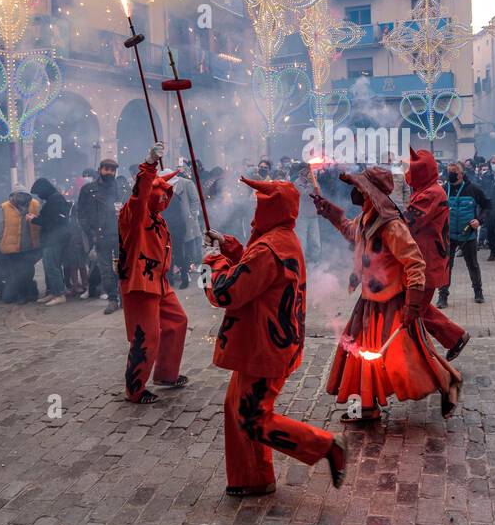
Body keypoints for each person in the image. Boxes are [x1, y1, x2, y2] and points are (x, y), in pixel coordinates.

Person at [202, 177, 346, 497]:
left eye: (259, 206)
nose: (254, 213)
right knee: (236, 407)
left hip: (265, 347)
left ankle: (326, 446)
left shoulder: (270, 248)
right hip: (262, 341)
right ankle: (250, 478)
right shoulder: (280, 238)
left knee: (253, 418)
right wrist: (227, 245)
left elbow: (227, 292)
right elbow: (252, 268)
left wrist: (212, 260)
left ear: (270, 210)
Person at [311, 166, 463, 423]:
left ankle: (450, 382)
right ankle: (367, 407)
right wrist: (332, 215)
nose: (355, 192)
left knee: (409, 357)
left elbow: (415, 263)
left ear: (370, 192)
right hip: (369, 302)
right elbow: (352, 232)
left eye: (360, 188)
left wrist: (413, 304)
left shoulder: (392, 225)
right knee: (360, 357)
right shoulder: (366, 218)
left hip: (393, 303)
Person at [118, 143, 189, 404]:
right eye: (162, 196)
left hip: (159, 282)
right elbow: (139, 195)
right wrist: (148, 165)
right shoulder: (134, 215)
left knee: (177, 321)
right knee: (146, 336)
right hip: (140, 283)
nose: (165, 200)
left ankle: (166, 374)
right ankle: (135, 390)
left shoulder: (158, 218)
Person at [403, 149, 469, 360]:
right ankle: (455, 337)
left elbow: (408, 222)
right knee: (419, 307)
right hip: (422, 259)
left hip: (427, 262)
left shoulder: (431, 193)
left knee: (414, 311)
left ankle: (419, 357)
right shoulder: (425, 189)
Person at [76, 158, 123, 313]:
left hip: (121, 235)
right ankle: (112, 299)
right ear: (100, 169)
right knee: (106, 270)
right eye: (106, 169)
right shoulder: (89, 189)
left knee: (123, 268)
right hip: (101, 236)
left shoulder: (121, 188)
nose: (109, 172)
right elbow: (81, 214)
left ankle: (124, 297)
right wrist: (91, 233)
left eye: (112, 169)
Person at [441, 160, 490, 306]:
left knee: (473, 265)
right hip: (448, 235)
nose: (450, 175)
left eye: (454, 173)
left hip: (467, 234)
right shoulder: (443, 189)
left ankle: (478, 291)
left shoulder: (474, 189)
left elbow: (487, 205)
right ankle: (442, 295)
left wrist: (479, 221)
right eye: (449, 172)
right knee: (445, 267)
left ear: (461, 174)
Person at [0, 185, 41, 303]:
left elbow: (40, 222)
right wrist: (1, 241)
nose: (22, 197)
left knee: (28, 271)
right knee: (16, 272)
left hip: (30, 246)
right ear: (13, 195)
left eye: (24, 194)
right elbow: (0, 226)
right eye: (19, 194)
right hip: (12, 247)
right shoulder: (5, 207)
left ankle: (30, 292)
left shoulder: (35, 205)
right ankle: (22, 294)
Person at [28, 177, 70, 305]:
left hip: (55, 238)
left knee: (53, 267)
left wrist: (34, 220)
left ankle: (59, 294)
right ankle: (53, 291)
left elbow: (53, 221)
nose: (39, 196)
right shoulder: (52, 199)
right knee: (48, 267)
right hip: (49, 238)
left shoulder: (56, 199)